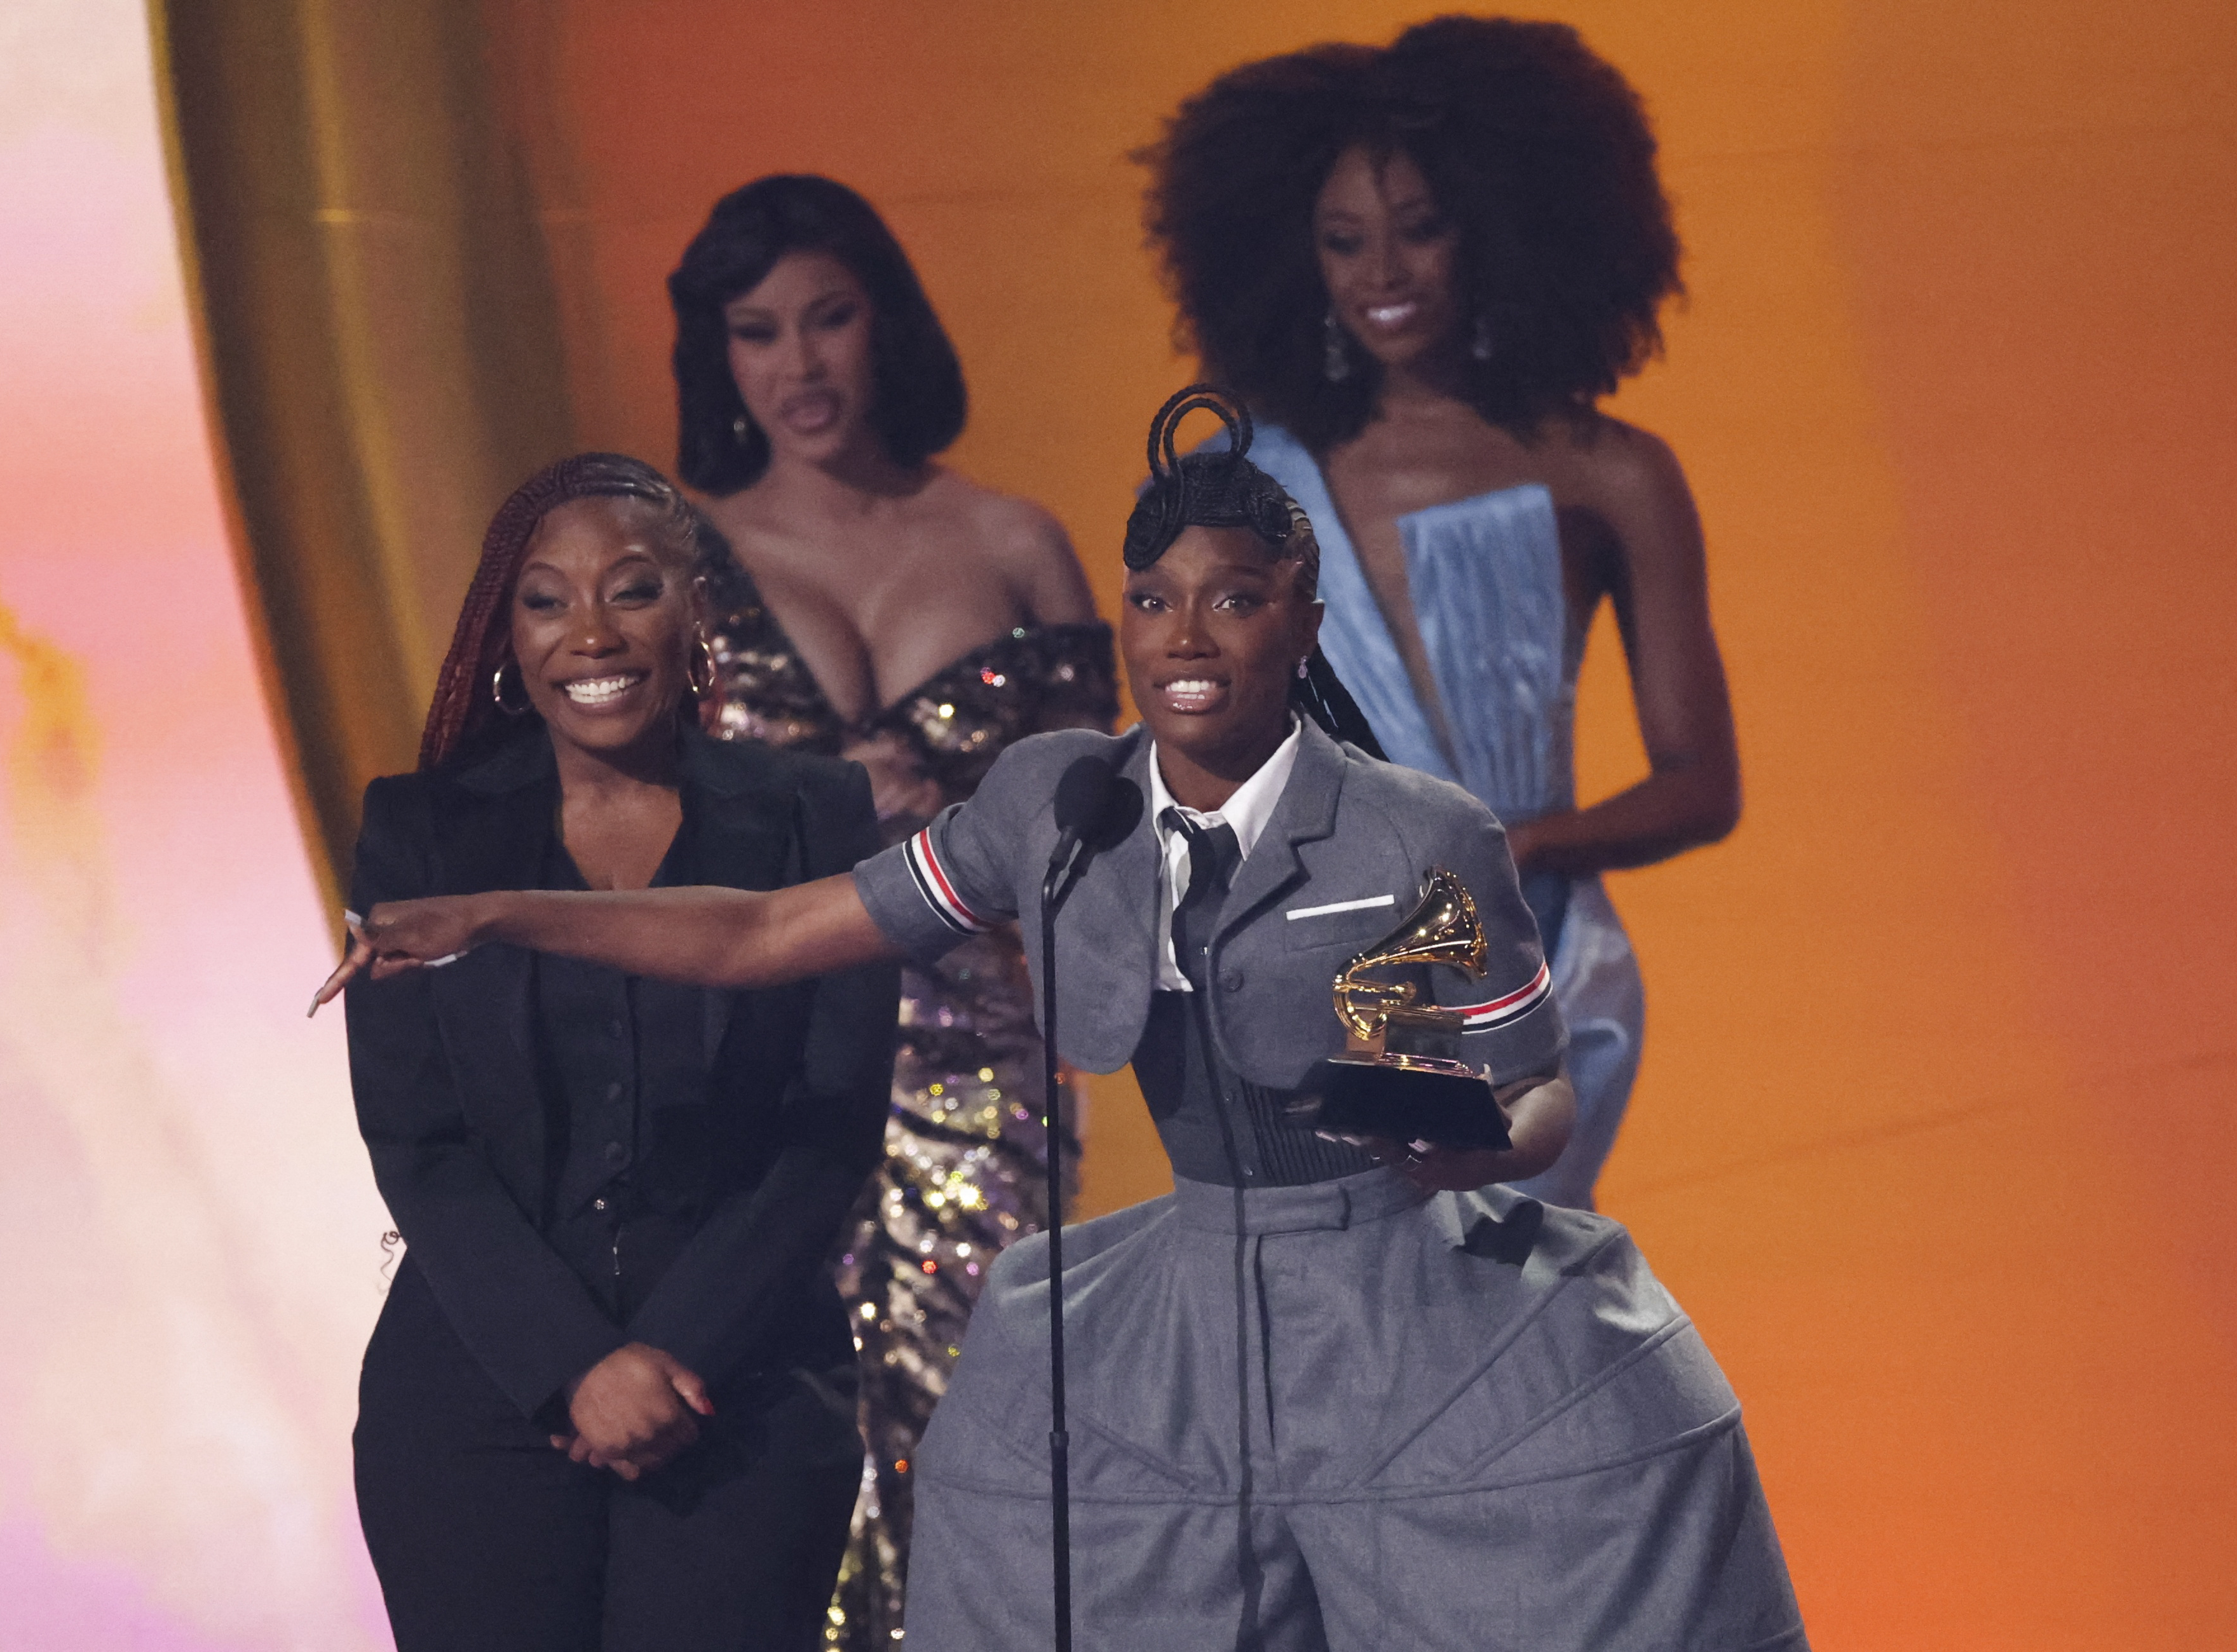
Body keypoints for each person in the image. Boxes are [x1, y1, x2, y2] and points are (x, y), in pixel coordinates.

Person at [318, 389, 1805, 1651]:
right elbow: (768, 930)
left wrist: (1453, 1136)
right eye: (1152, 600)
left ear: (1303, 618)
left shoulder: (1422, 831)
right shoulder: (1058, 800)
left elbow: (1537, 1095)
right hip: (1177, 1322)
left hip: (1410, 1314)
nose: (1185, 636)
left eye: (1233, 599)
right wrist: (503, 913)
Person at [1140, 16, 1743, 1208]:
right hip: (1295, 965)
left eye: (1422, 228)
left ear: (1503, 226)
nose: (1383, 272)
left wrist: (1514, 849)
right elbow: (1188, 750)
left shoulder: (1609, 474)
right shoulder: (1234, 481)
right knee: (1320, 1299)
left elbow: (1700, 784)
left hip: (1530, 966)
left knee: (1494, 1287)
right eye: (1343, 240)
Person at [336, 452, 898, 1650]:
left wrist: (675, 1355)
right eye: (547, 601)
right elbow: (420, 1140)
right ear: (508, 636)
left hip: (741, 1394)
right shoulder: (421, 833)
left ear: (697, 614)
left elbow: (833, 1118)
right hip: (477, 1399)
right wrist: (573, 1365)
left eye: (632, 590)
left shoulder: (815, 814)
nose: (591, 633)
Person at [666, 172, 1116, 1642]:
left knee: (986, 1431)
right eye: (756, 332)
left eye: (829, 318)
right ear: (718, 356)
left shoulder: (1014, 540)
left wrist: (981, 837)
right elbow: (629, 836)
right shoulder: (670, 562)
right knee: (774, 1438)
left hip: (984, 1060)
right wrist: (801, 813)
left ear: (889, 322)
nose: (797, 365)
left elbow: (1105, 839)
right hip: (759, 1061)